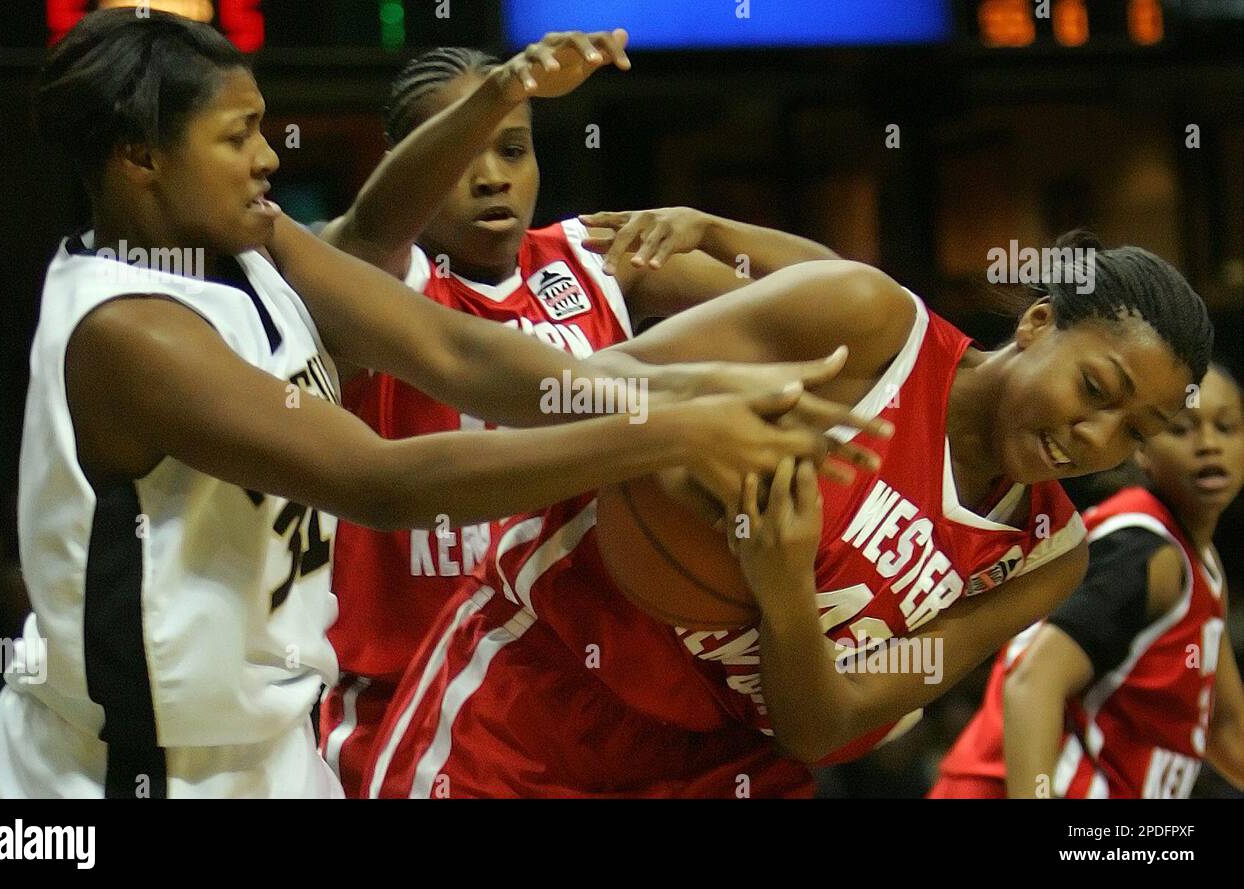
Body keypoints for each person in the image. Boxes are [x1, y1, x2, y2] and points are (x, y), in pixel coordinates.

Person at [0, 9, 878, 799]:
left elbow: (459, 351)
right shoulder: (131, 335)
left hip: (272, 742)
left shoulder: (258, 243)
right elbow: (381, 480)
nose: (269, 154)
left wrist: (696, 388)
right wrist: (669, 428)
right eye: (237, 134)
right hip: (125, 769)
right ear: (141, 156)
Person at [363, 232, 1214, 798]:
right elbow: (579, 393)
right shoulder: (870, 325)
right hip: (550, 682)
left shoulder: (1046, 556)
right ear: (1037, 324)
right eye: (1095, 389)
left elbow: (825, 724)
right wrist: (689, 456)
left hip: (731, 766)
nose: (1094, 435)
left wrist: (782, 587)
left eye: (1135, 430)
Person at [315, 33, 842, 795]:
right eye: (463, 153)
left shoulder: (592, 257)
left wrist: (718, 230)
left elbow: (847, 305)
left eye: (515, 148)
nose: (492, 177)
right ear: (412, 160)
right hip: (416, 698)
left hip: (595, 692)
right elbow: (370, 229)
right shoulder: (372, 288)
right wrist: (501, 89)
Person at [931, 364, 1244, 798]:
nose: (1209, 445)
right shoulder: (1143, 550)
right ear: (1142, 449)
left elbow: (1226, 731)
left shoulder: (1199, 561)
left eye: (1226, 427)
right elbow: (1033, 682)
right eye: (1183, 430)